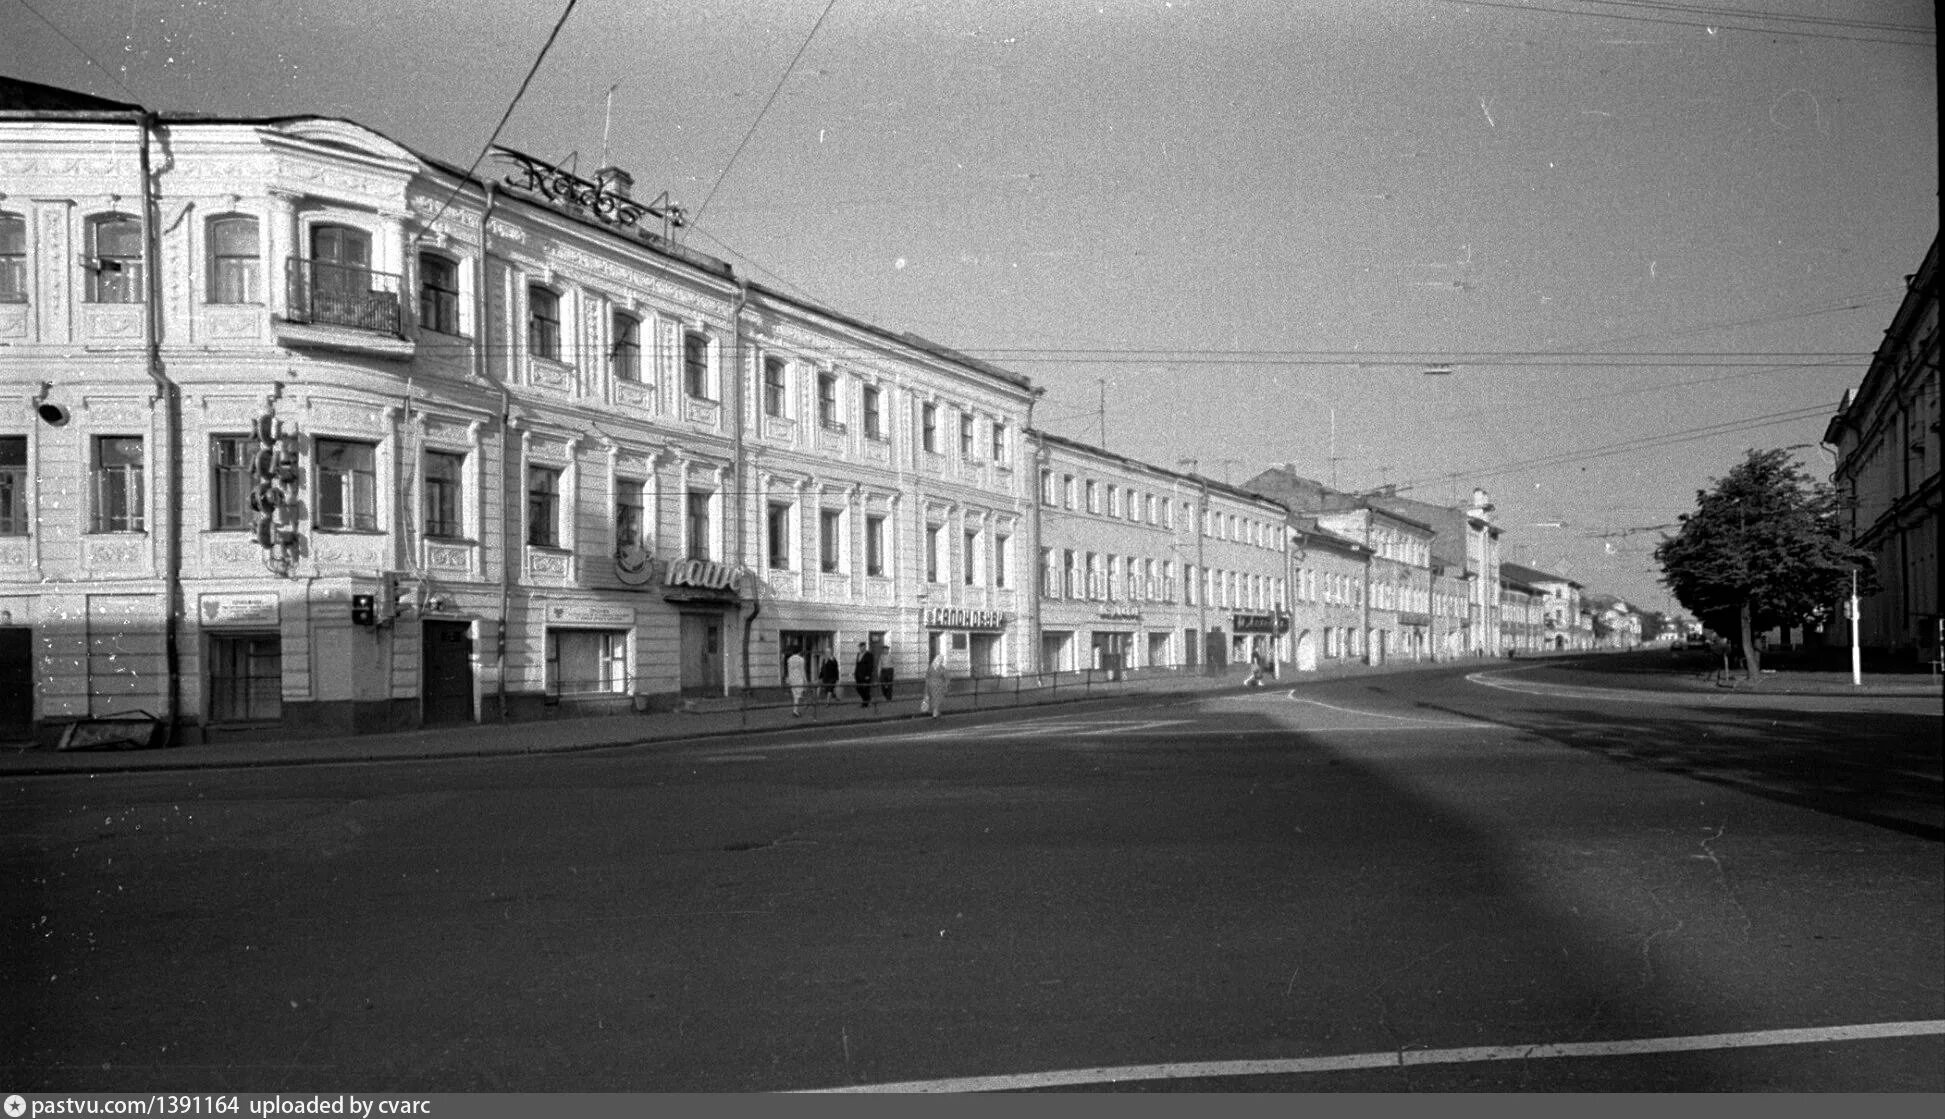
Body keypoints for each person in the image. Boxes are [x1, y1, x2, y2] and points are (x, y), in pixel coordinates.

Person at [921, 651, 949, 718]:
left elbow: (927, 676)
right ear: (941, 660)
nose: (942, 661)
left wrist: (927, 684)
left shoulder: (931, 667)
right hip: (939, 685)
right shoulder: (942, 668)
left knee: (931, 698)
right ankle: (935, 713)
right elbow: (946, 677)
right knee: (937, 699)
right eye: (942, 660)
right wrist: (946, 685)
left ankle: (932, 711)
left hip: (930, 684)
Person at [853, 642, 877, 708]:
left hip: (866, 675)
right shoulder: (858, 654)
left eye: (862, 647)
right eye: (860, 647)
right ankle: (868, 699)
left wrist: (868, 675)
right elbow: (857, 665)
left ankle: (865, 704)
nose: (861, 648)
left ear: (865, 647)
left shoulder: (869, 655)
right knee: (858, 688)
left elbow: (870, 665)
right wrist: (855, 673)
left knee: (866, 689)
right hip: (858, 675)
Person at [785, 651, 808, 716]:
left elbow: (788, 670)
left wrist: (789, 680)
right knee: (798, 695)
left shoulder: (789, 659)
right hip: (798, 678)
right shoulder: (801, 660)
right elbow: (802, 671)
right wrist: (805, 680)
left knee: (795, 695)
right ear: (799, 652)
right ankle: (796, 710)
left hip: (792, 679)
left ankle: (796, 710)